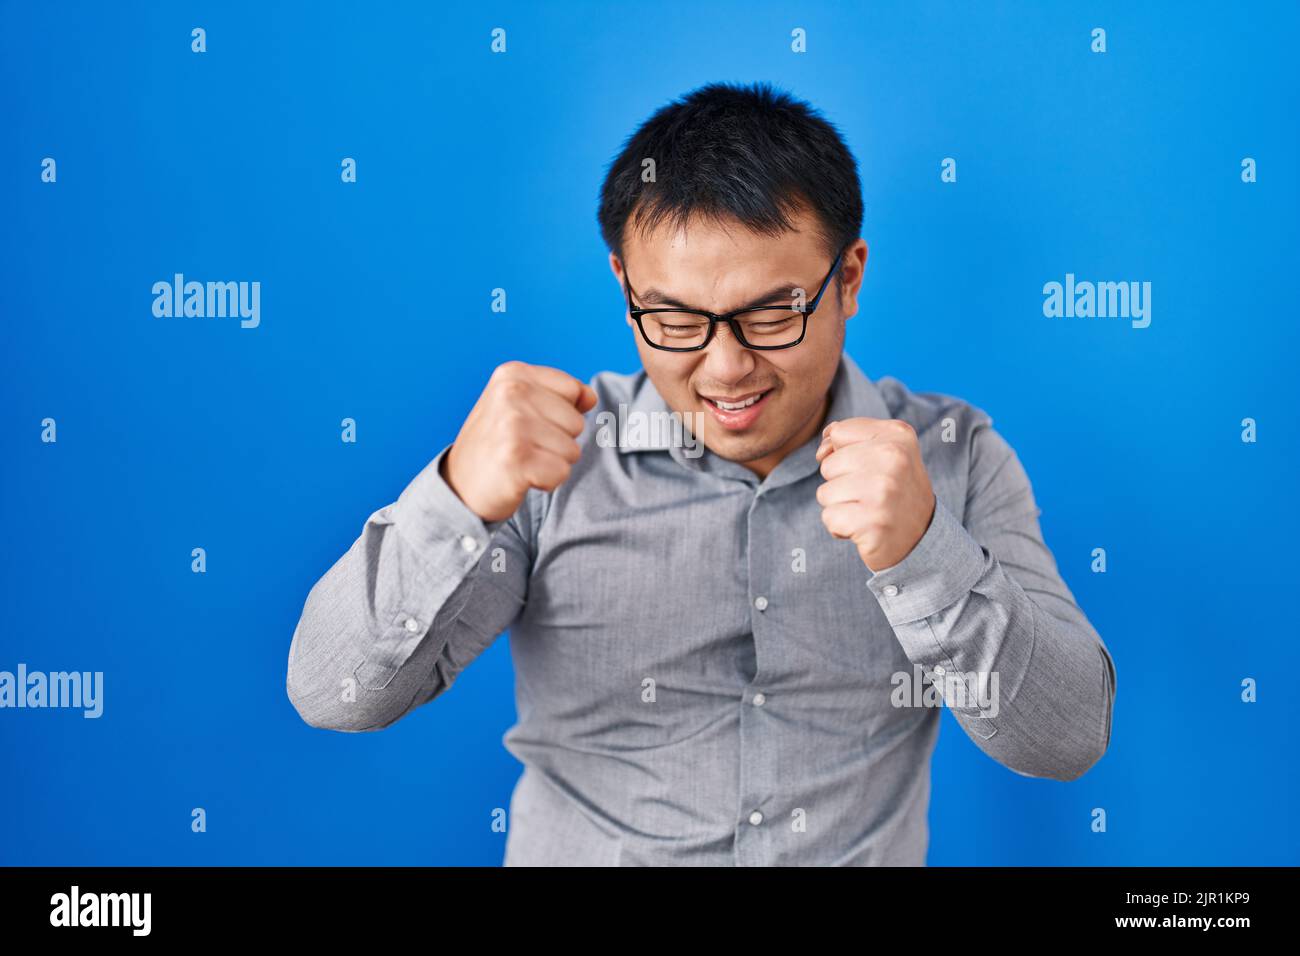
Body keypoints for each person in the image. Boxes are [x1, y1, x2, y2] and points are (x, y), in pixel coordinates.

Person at [286, 81, 1117, 866]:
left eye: (768, 313)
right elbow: (338, 696)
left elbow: (1066, 737)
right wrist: (455, 502)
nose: (725, 368)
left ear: (849, 278)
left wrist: (926, 552)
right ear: (625, 288)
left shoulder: (955, 455)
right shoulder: (551, 462)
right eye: (676, 317)